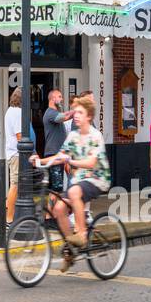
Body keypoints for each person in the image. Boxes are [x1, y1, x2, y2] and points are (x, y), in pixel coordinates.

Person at [36, 95, 110, 270]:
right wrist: (39, 161)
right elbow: (60, 156)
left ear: (89, 116)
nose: (75, 115)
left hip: (96, 179)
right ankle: (71, 249)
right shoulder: (73, 135)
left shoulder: (95, 136)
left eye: (80, 112)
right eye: (75, 112)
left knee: (74, 192)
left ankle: (82, 234)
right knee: (59, 208)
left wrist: (71, 161)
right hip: (78, 180)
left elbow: (91, 163)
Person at [4, 88, 27, 224]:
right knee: (15, 185)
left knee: (16, 184)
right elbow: (20, 136)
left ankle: (12, 214)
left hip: (12, 153)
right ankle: (9, 218)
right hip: (17, 154)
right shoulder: (18, 113)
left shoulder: (9, 111)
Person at [41, 89, 71, 166]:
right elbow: (65, 117)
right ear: (53, 99)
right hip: (53, 154)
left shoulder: (55, 112)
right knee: (56, 178)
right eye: (60, 97)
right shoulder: (50, 113)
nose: (62, 99)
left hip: (58, 154)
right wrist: (78, 111)